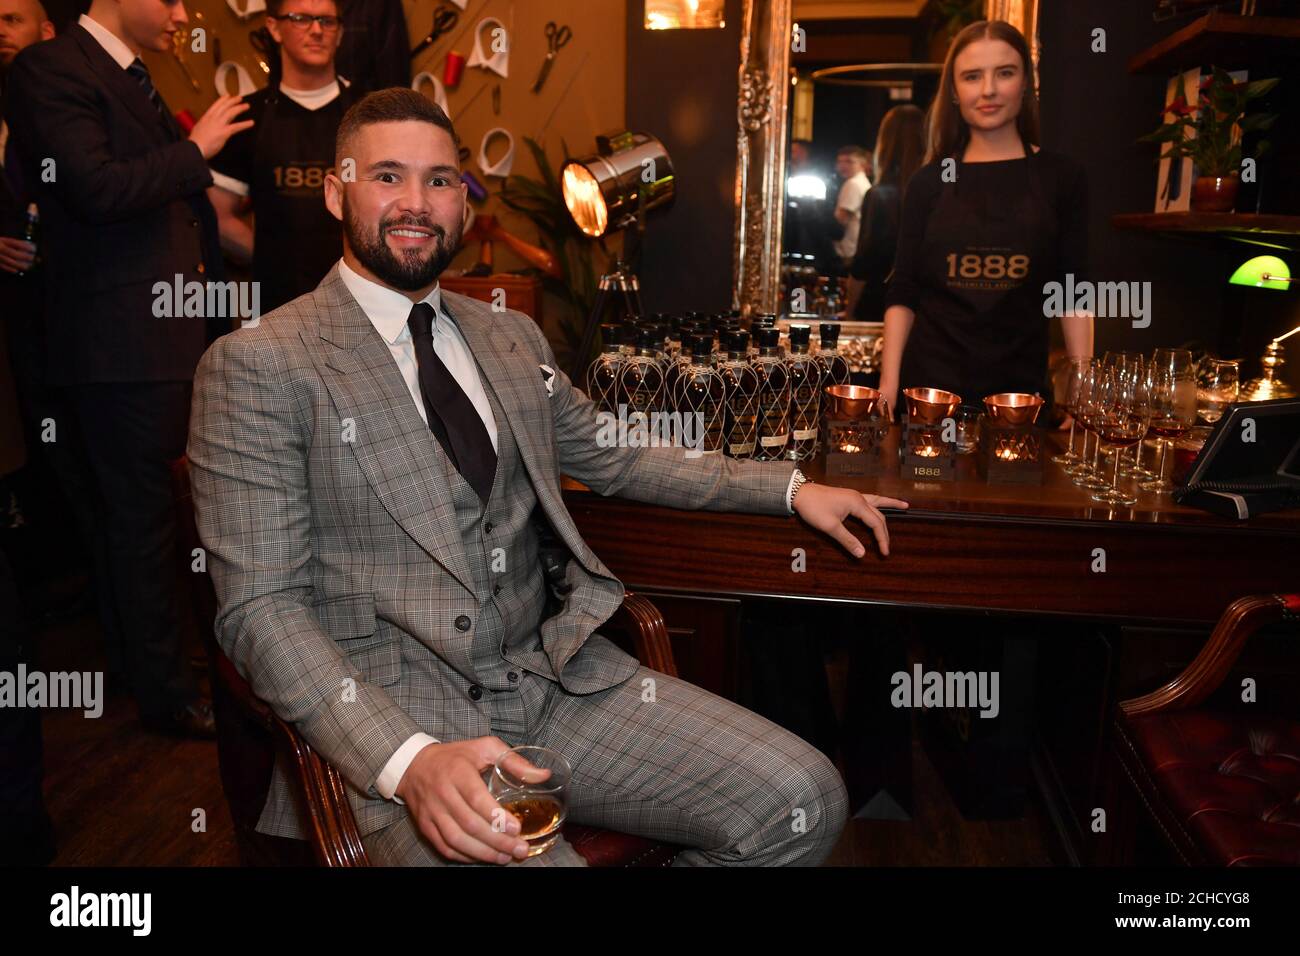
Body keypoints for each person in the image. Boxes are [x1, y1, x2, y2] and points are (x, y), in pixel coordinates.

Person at [188, 88, 911, 867]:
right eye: (387, 176)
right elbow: (262, 610)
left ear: (463, 204)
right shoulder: (260, 363)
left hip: (558, 685)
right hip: (399, 728)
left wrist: (792, 488)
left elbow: (620, 450)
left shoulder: (507, 335)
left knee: (803, 798)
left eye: (439, 181)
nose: (416, 204)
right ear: (337, 192)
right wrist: (409, 761)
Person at [5, 0, 254, 738]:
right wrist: (196, 147)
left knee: (159, 516)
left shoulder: (130, 76)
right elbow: (96, 187)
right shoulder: (50, 67)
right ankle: (165, 693)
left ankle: (159, 667)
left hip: (164, 337)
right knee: (142, 522)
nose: (183, 12)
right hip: (119, 344)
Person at [877, 19, 1092, 417]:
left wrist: (1083, 384)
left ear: (1025, 83)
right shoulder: (929, 182)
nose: (989, 89)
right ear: (955, 91)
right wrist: (888, 386)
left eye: (1004, 73)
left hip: (1020, 402)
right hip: (928, 399)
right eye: (972, 76)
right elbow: (903, 289)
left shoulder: (1062, 177)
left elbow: (1073, 287)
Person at [208, 0, 359, 314]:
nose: (316, 30)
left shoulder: (370, 115)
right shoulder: (246, 118)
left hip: (360, 305)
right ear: (274, 27)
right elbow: (217, 217)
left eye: (327, 21)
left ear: (340, 32)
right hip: (274, 307)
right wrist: (272, 261)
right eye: (301, 18)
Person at [847, 105, 926, 323]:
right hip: (923, 306)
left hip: (879, 302)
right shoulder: (937, 191)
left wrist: (849, 312)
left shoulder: (879, 195)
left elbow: (863, 263)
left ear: (885, 142)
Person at [830, 145, 872, 270]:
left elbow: (840, 221)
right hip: (854, 249)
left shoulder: (853, 184)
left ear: (863, 164)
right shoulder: (863, 183)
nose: (843, 166)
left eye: (849, 161)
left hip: (846, 252)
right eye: (840, 162)